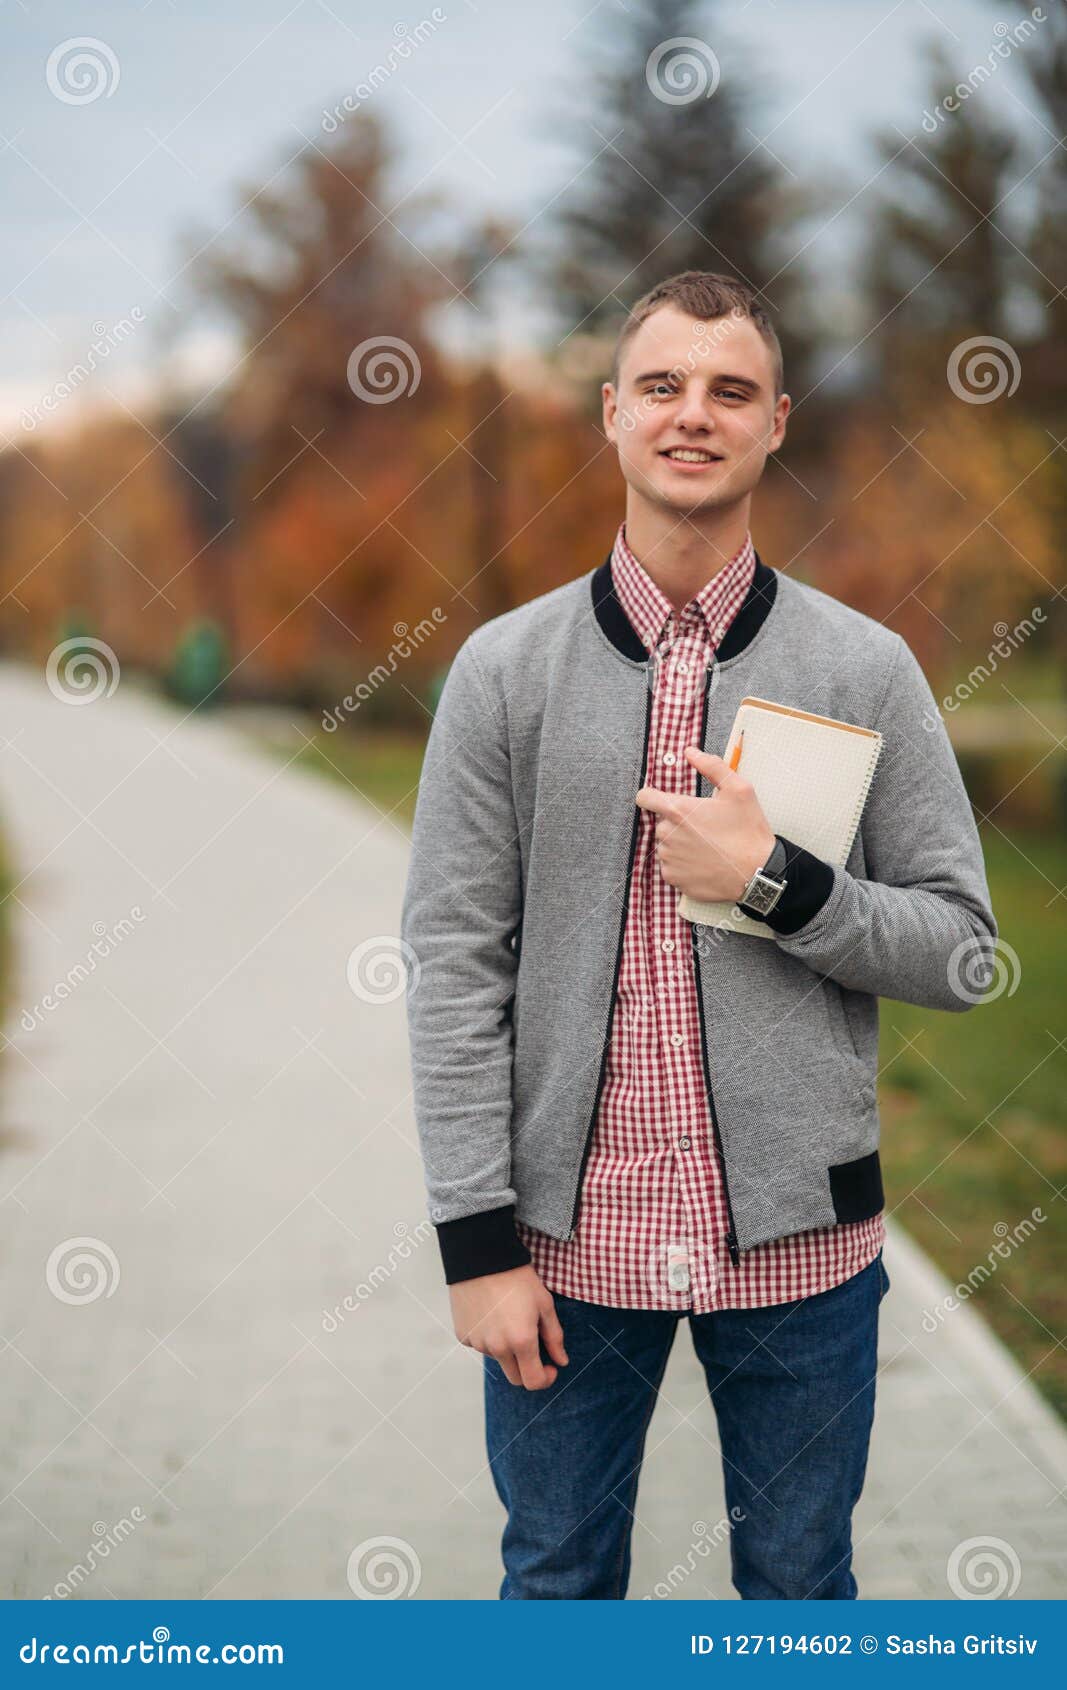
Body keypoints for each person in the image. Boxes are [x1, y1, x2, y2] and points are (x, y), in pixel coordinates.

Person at [400, 271, 997, 1600]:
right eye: (662, 386)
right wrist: (475, 1242)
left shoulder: (866, 669)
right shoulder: (504, 674)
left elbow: (963, 949)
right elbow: (452, 969)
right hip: (564, 1249)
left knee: (796, 1590)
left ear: (777, 421)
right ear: (612, 416)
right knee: (555, 1589)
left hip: (801, 1254)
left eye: (731, 390)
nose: (694, 414)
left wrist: (782, 882)